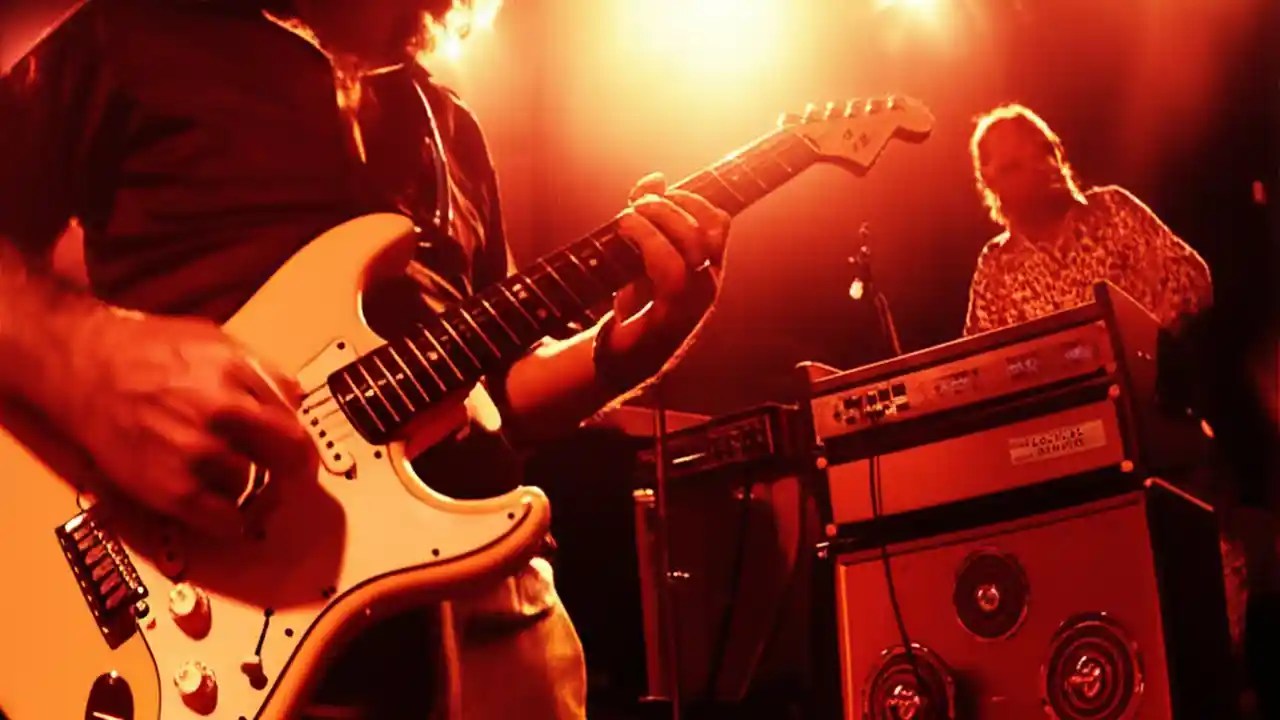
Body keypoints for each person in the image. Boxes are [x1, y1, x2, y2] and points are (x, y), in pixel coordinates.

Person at [0, 1, 732, 718]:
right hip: (231, 603)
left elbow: (489, 396)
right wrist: (83, 352)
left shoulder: (450, 129)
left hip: (496, 611)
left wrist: (623, 351)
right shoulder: (133, 33)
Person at [962, 103, 1212, 336]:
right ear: (991, 183)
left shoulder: (1112, 210)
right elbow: (979, 363)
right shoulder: (995, 267)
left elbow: (1191, 280)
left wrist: (1137, 342)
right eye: (1014, 166)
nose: (1039, 167)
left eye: (1044, 152)